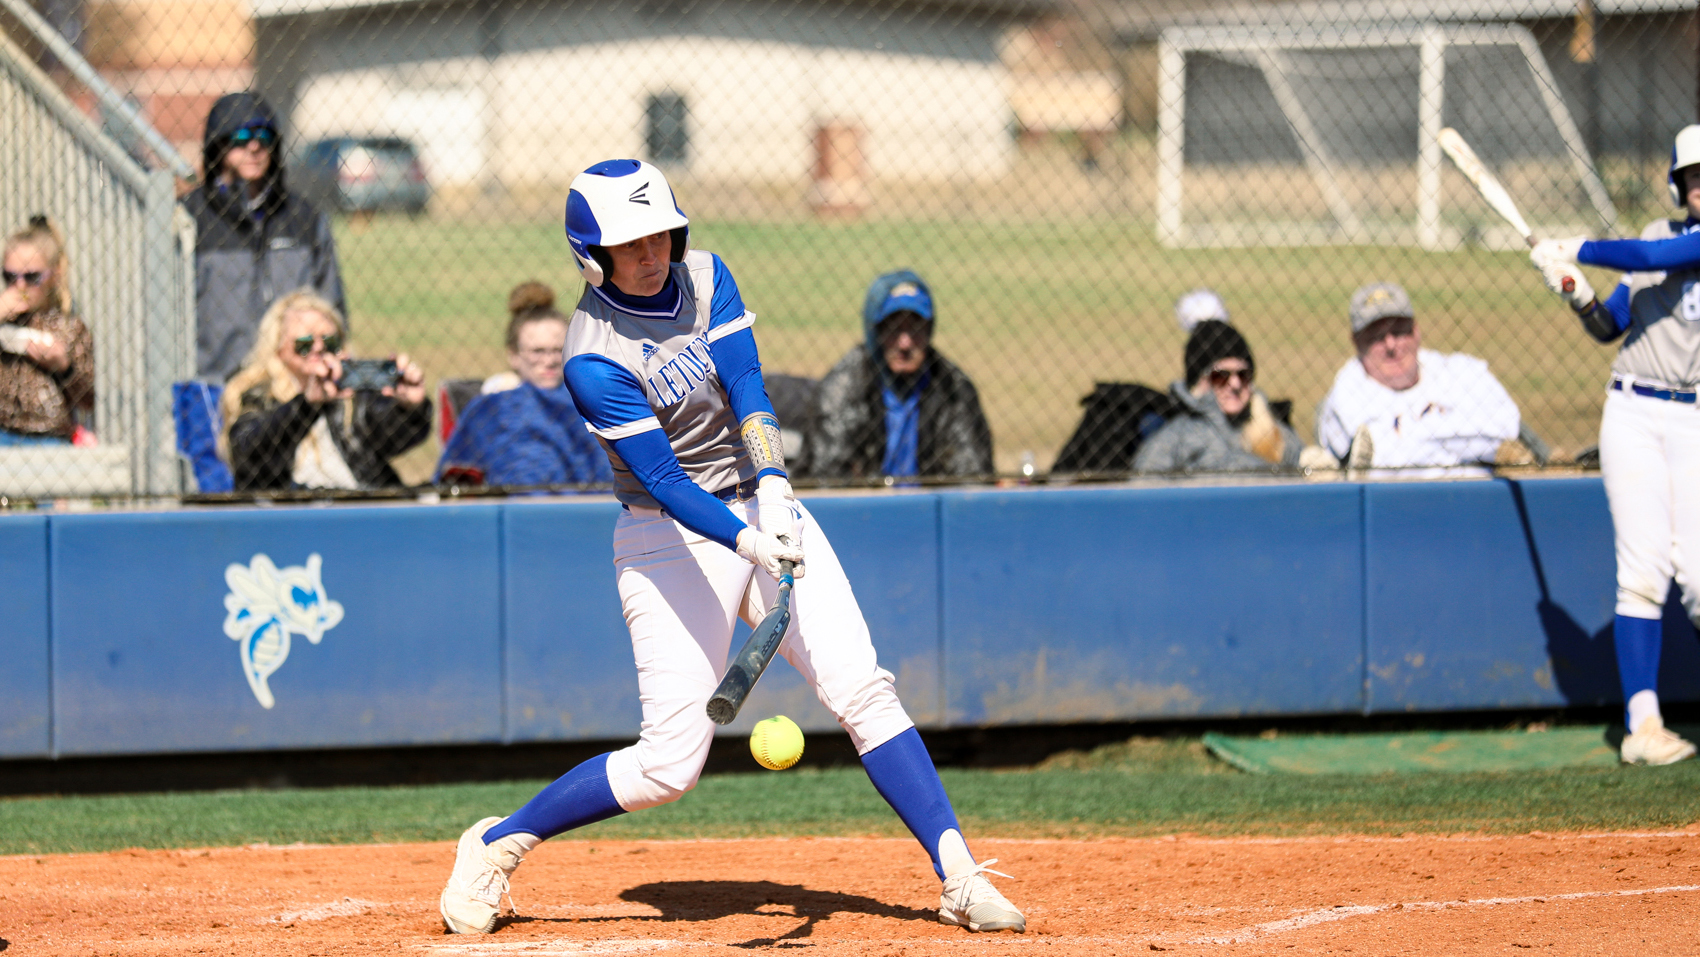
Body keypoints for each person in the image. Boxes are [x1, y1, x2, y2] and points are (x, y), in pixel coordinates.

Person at [438, 160, 1025, 936]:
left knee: (862, 686)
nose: (653, 255)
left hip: (761, 501)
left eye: (661, 235)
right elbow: (667, 480)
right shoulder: (592, 355)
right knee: (668, 766)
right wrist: (750, 540)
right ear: (592, 256)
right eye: (631, 244)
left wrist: (775, 485)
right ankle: (495, 843)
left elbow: (747, 383)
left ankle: (958, 873)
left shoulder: (708, 276)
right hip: (667, 538)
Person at [1527, 123, 1700, 765]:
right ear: (1679, 184)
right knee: (1643, 569)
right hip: (1633, 412)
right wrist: (1576, 292)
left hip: (1695, 421)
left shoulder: (1653, 249)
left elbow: (1652, 263)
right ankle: (1643, 726)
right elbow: (1612, 325)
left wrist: (1577, 244)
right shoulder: (1654, 235)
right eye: (1694, 176)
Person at [184, 92, 345, 382]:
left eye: (264, 136)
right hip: (214, 383)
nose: (255, 147)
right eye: (241, 137)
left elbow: (331, 307)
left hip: (292, 382)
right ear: (217, 145)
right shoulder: (190, 219)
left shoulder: (303, 218)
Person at [220, 289, 427, 491]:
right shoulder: (255, 395)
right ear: (278, 347)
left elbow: (392, 436)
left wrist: (408, 407)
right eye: (305, 343)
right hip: (293, 512)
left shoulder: (351, 395)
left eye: (329, 342)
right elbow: (250, 454)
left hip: (359, 505)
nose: (318, 348)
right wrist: (307, 405)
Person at [1314, 282, 1519, 473]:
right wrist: (1457, 439)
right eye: (1376, 336)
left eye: (1399, 330)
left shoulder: (1461, 372)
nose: (1391, 345)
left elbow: (1506, 430)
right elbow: (1380, 466)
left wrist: (1407, 436)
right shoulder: (1348, 390)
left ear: (1416, 330)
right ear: (1357, 342)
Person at [810, 270, 992, 481]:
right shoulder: (843, 388)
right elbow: (828, 480)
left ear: (929, 329)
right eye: (894, 328)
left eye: (915, 328)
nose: (905, 343)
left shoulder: (953, 389)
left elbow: (971, 478)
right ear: (876, 332)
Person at [433, 281, 613, 487]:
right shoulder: (489, 408)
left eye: (558, 350)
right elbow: (452, 476)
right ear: (514, 355)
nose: (549, 360)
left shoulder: (591, 402)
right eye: (537, 352)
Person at [1134, 318, 1303, 474]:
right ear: (1199, 382)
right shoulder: (1176, 437)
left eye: (1243, 374)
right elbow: (1144, 487)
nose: (1235, 385)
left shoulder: (1274, 432)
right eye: (1221, 376)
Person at [0, 215, 94, 445]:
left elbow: (89, 401)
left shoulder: (69, 326)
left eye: (32, 277)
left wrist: (64, 367)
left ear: (54, 275)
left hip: (50, 438)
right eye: (10, 277)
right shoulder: (4, 319)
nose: (19, 286)